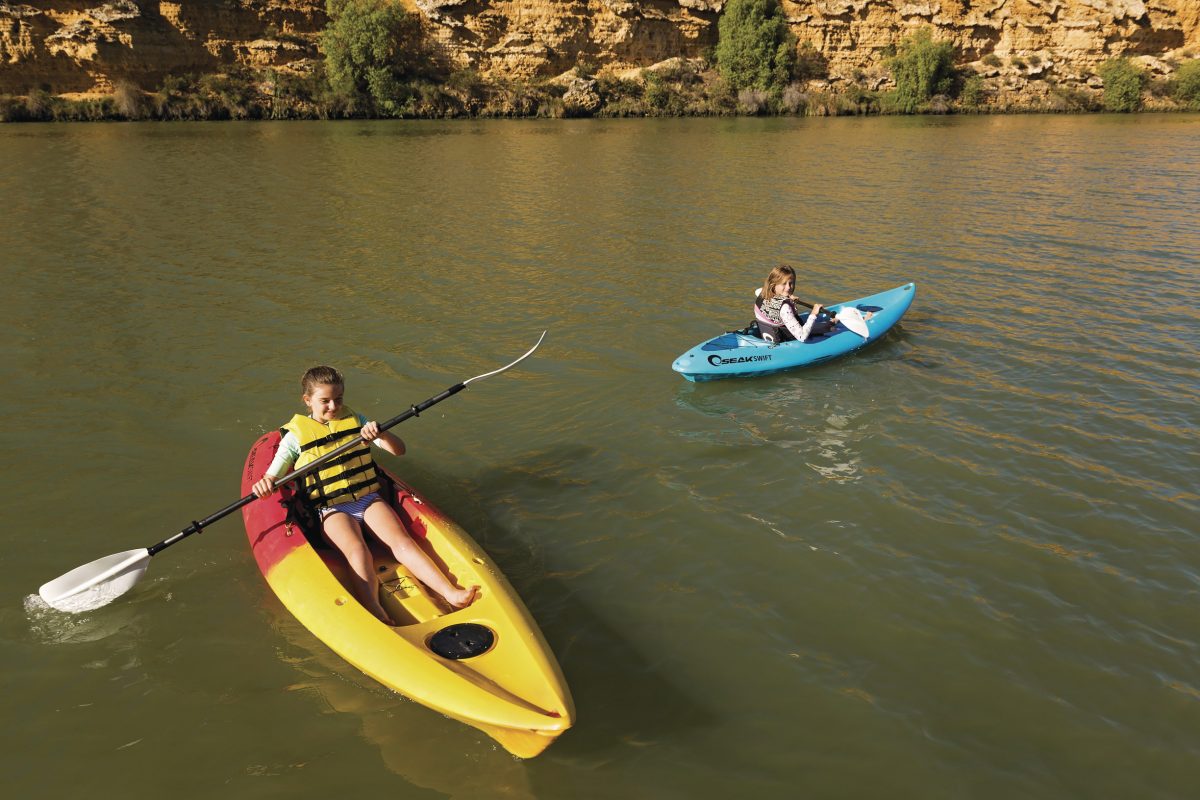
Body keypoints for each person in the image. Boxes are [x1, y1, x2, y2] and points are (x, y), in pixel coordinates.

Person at [252, 365, 478, 624]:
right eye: (324, 401)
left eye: (338, 399)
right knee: (358, 551)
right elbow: (272, 476)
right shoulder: (294, 437)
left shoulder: (357, 420)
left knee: (402, 543)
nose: (333, 406)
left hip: (368, 498)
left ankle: (450, 593)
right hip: (331, 508)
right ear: (308, 400)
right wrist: (265, 484)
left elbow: (398, 451)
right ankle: (373, 607)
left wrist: (380, 433)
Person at [755, 264, 837, 342]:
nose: (788, 287)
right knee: (829, 327)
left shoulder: (761, 293)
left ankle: (833, 321)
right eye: (784, 284)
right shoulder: (784, 308)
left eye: (791, 283)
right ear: (773, 285)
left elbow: (758, 291)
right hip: (785, 337)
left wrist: (787, 297)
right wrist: (814, 314)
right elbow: (802, 337)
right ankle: (833, 322)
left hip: (769, 331)